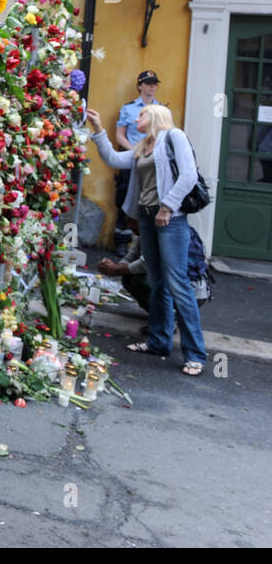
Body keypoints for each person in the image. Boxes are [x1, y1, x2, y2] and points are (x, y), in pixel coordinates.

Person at [86, 103, 207, 376]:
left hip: (170, 219)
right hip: (148, 218)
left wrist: (168, 207)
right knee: (158, 282)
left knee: (178, 283)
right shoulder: (143, 147)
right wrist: (99, 130)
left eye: (142, 114)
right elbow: (114, 160)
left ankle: (196, 354)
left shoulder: (174, 136)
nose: (136, 118)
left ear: (154, 117)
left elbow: (188, 176)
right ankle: (158, 342)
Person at [113, 71, 162, 232]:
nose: (152, 87)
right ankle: (122, 235)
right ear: (140, 86)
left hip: (152, 160)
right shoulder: (128, 108)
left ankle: (144, 238)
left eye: (154, 83)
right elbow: (120, 135)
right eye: (148, 83)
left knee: (150, 197)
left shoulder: (160, 110)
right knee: (126, 194)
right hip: (132, 156)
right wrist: (134, 151)